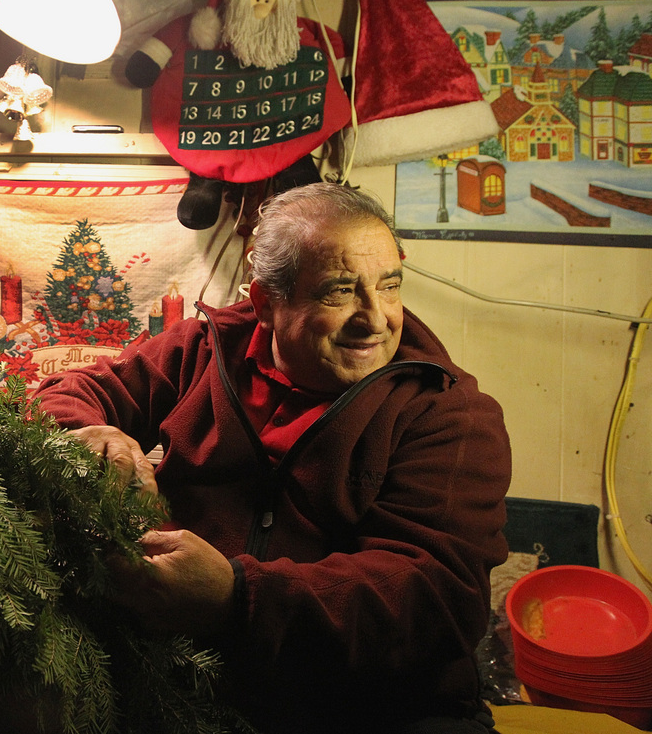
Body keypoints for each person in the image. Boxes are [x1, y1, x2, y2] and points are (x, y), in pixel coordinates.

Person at [33, 182, 511, 734]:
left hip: (382, 706)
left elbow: (433, 599)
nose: (376, 318)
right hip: (194, 683)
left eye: (390, 286)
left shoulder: (448, 414)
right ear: (265, 303)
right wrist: (88, 432)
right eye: (340, 291)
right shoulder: (203, 349)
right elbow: (69, 391)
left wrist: (239, 598)